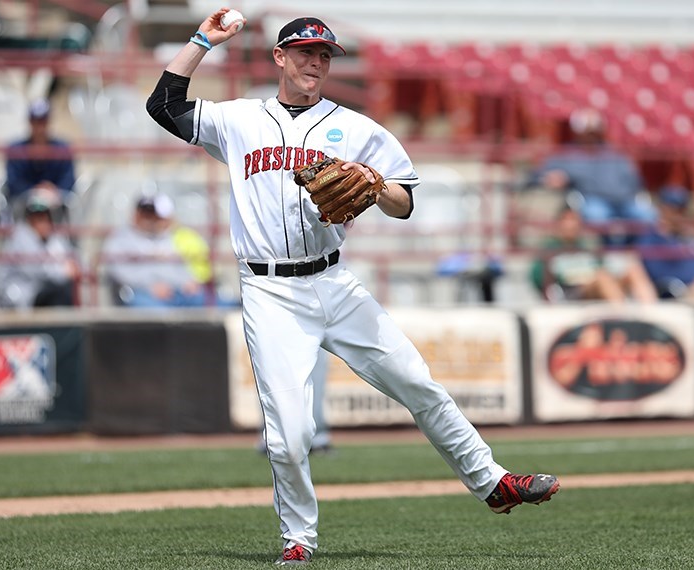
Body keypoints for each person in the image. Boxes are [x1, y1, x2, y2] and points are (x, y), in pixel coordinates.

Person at [146, 11, 559, 566]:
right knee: (290, 435)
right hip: (269, 292)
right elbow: (163, 105)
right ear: (279, 57)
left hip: (334, 281)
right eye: (304, 52)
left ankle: (493, 483)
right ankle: (299, 539)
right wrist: (202, 41)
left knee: (418, 383)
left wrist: (377, 185)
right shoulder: (239, 119)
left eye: (324, 55)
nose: (315, 62)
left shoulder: (357, 128)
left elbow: (405, 203)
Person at [526, 107, 657, 243]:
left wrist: (632, 192)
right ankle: (609, 249)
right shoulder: (566, 155)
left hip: (625, 201)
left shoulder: (615, 154)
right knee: (598, 216)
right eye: (587, 131)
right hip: (593, 200)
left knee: (647, 215)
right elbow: (537, 175)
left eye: (594, 131)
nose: (591, 135)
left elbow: (635, 180)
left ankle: (640, 249)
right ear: (577, 132)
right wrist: (551, 179)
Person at [102, 193, 210, 308]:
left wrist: (188, 281)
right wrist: (150, 286)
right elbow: (120, 272)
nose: (151, 220)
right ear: (136, 215)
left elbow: (179, 266)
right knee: (154, 309)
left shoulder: (167, 238)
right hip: (142, 293)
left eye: (155, 216)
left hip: (177, 291)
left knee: (213, 303)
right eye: (146, 214)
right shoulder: (120, 239)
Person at [530, 206, 657, 303]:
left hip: (596, 285)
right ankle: (622, 319)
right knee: (602, 278)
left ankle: (652, 314)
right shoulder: (549, 248)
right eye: (566, 220)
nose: (571, 225)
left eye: (574, 220)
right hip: (571, 291)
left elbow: (603, 267)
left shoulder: (587, 246)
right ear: (558, 223)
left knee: (633, 269)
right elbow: (537, 277)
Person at [0, 187, 80, 309]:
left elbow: (76, 260)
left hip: (42, 291)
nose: (41, 222)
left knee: (65, 291)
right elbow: (35, 271)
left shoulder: (54, 238)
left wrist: (74, 266)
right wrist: (63, 272)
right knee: (57, 291)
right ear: (29, 219)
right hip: (20, 293)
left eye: (44, 217)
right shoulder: (21, 236)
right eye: (36, 218)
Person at [3, 98, 76, 221]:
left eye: (43, 122)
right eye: (36, 122)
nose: (40, 128)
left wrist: (53, 191)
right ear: (30, 122)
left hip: (57, 206)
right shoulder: (16, 149)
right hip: (24, 208)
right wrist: (36, 191)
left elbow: (68, 181)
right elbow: (13, 183)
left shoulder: (63, 149)